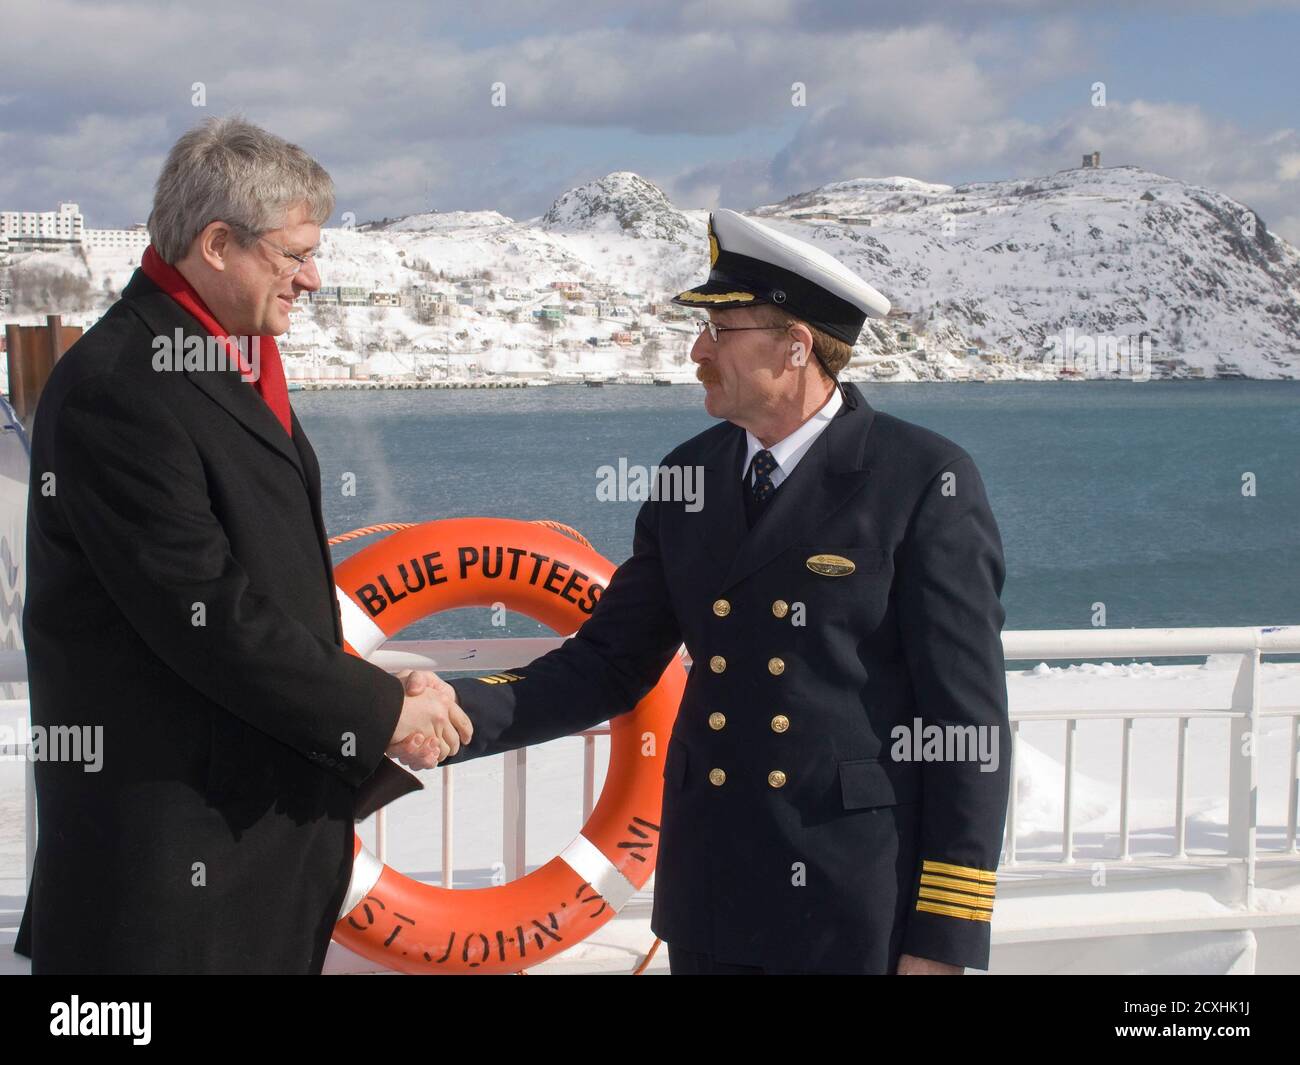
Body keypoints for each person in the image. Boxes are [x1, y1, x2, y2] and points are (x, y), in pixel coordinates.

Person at [433, 209, 1012, 974]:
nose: (696, 353)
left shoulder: (920, 479)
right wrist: (451, 711)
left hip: (851, 903)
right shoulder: (688, 476)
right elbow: (607, 662)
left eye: (721, 330)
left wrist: (942, 938)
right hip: (712, 893)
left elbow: (964, 724)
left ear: (796, 345)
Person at [15, 116, 468, 974]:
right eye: (293, 254)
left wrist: (373, 690)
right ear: (217, 243)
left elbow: (267, 588)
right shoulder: (122, 387)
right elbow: (206, 614)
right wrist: (380, 712)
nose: (313, 276)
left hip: (250, 863)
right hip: (168, 886)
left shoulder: (223, 360)